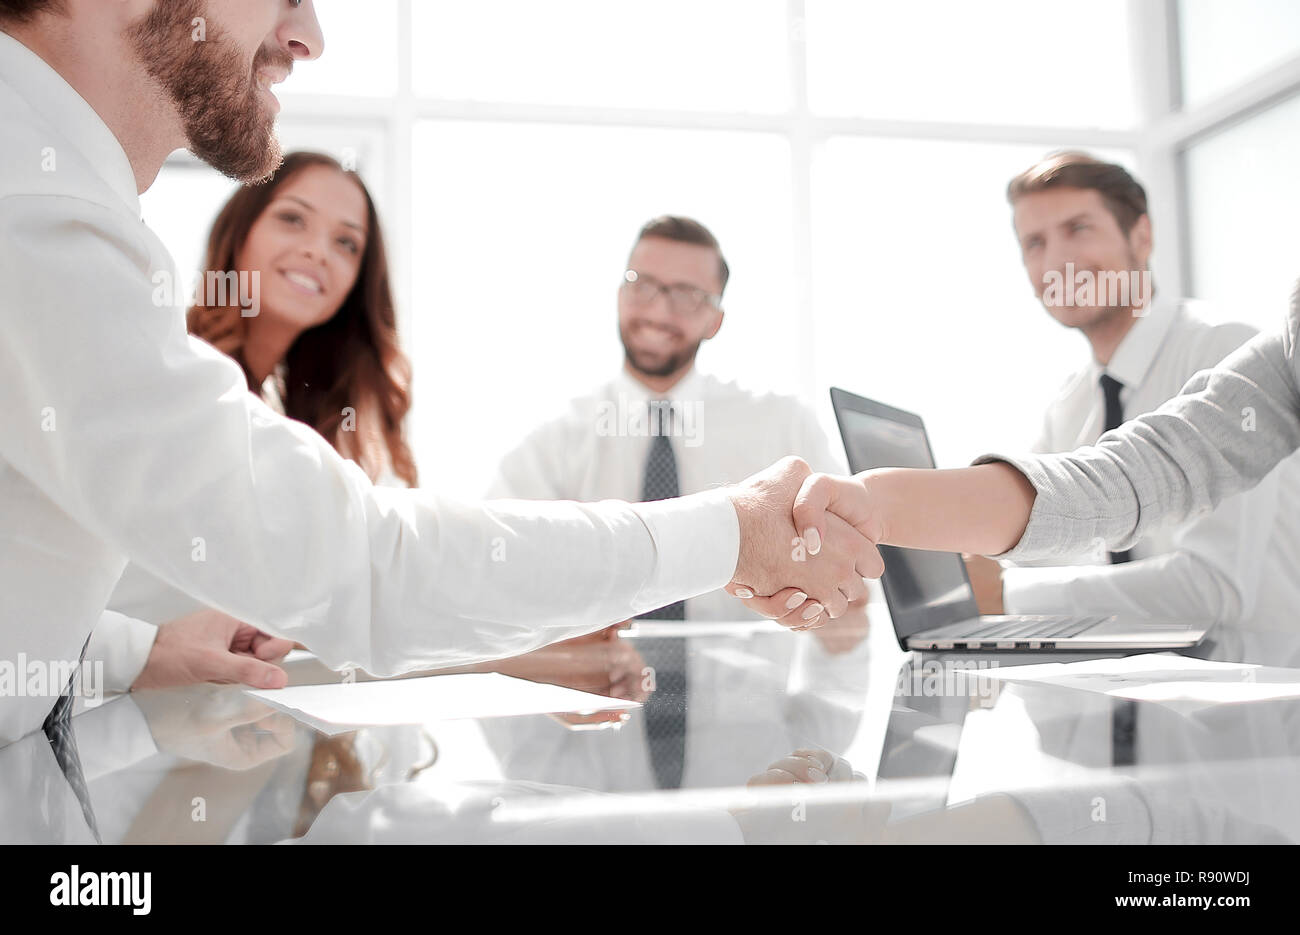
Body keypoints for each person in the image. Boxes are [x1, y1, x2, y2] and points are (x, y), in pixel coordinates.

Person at [0, 0, 879, 746]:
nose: (309, 33)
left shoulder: (49, 200)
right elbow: (374, 568)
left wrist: (128, 653)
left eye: (346, 242)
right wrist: (729, 531)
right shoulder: (40, 219)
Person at [88, 151, 419, 694]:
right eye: (293, 218)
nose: (317, 250)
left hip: (193, 730)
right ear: (240, 231)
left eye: (347, 243)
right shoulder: (171, 372)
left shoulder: (287, 415)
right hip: (91, 715)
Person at [960, 152, 1300, 632]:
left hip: (1255, 696)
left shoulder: (1225, 351)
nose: (1057, 261)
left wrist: (1005, 593)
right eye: (1034, 243)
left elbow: (1214, 589)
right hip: (1128, 693)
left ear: (1142, 236)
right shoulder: (1072, 402)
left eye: (1078, 228)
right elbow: (1031, 535)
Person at [490, 215, 868, 638]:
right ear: (620, 294)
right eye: (643, 284)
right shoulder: (557, 439)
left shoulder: (781, 427)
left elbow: (854, 578)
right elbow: (496, 568)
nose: (658, 309)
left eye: (687, 295)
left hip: (753, 696)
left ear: (715, 321)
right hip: (594, 693)